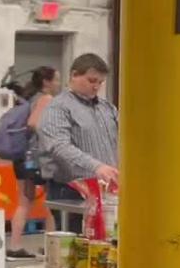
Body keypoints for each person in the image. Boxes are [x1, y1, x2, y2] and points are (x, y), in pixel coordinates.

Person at [36, 53, 119, 234]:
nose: (96, 86)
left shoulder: (107, 108)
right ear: (74, 75)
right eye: (91, 80)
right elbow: (58, 145)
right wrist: (96, 166)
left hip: (106, 193)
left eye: (100, 82)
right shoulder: (58, 108)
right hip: (70, 192)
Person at [2, 67, 59, 260]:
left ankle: (15, 246)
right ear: (46, 82)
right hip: (35, 158)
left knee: (24, 202)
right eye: (56, 80)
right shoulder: (45, 99)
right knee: (53, 202)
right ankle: (51, 246)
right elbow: (34, 123)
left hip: (21, 157)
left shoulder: (26, 98)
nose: (58, 84)